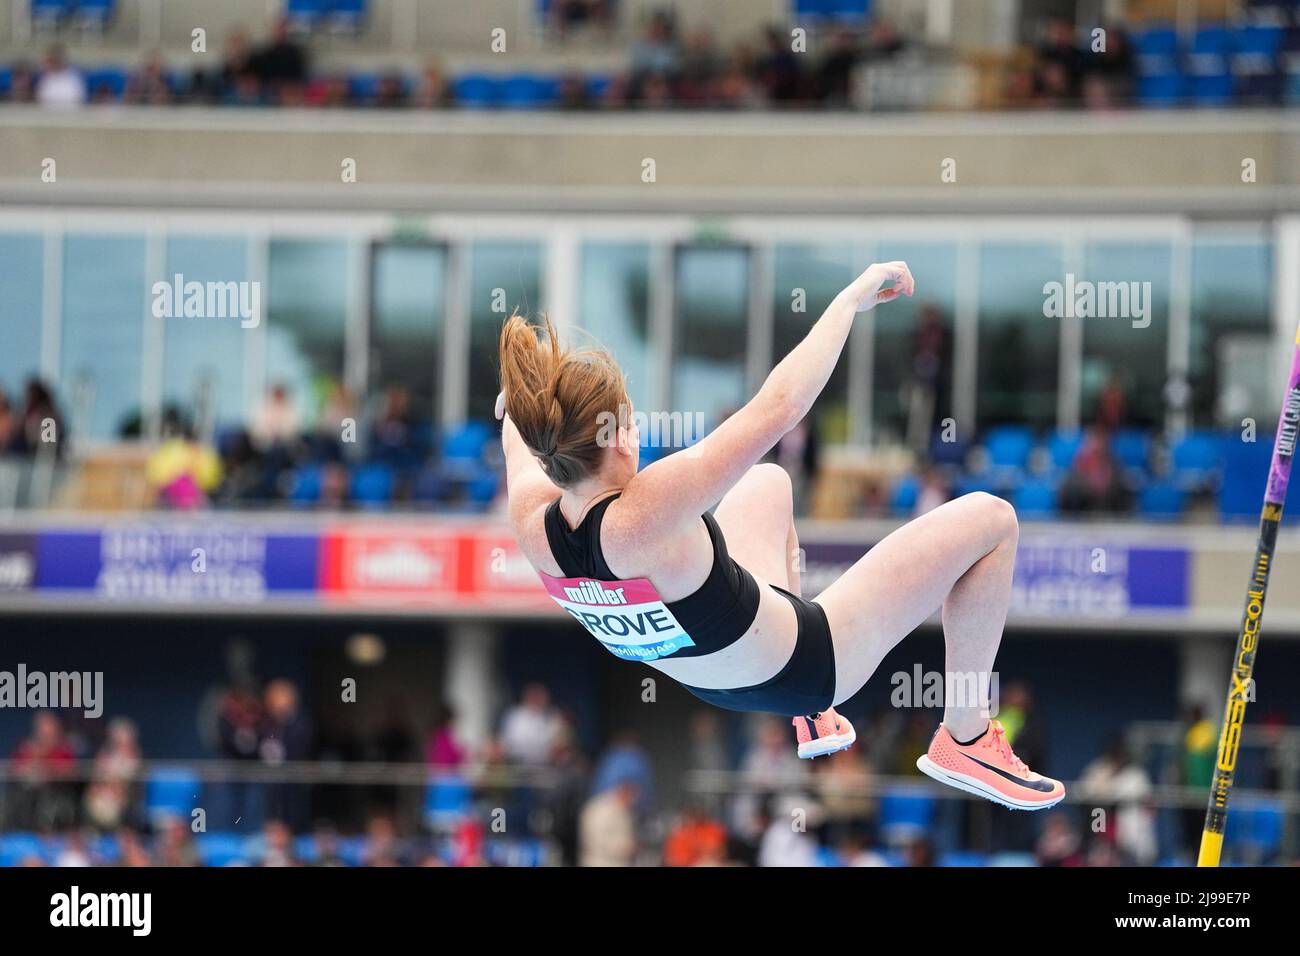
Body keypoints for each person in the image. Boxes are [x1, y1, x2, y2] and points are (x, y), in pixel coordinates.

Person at [498, 261, 1064, 811]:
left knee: (766, 481)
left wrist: (514, 413)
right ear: (621, 437)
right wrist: (849, 301)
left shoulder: (532, 521)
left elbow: (522, 443)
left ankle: (811, 720)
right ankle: (965, 737)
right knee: (993, 520)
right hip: (815, 665)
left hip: (712, 678)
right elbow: (782, 405)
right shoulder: (644, 513)